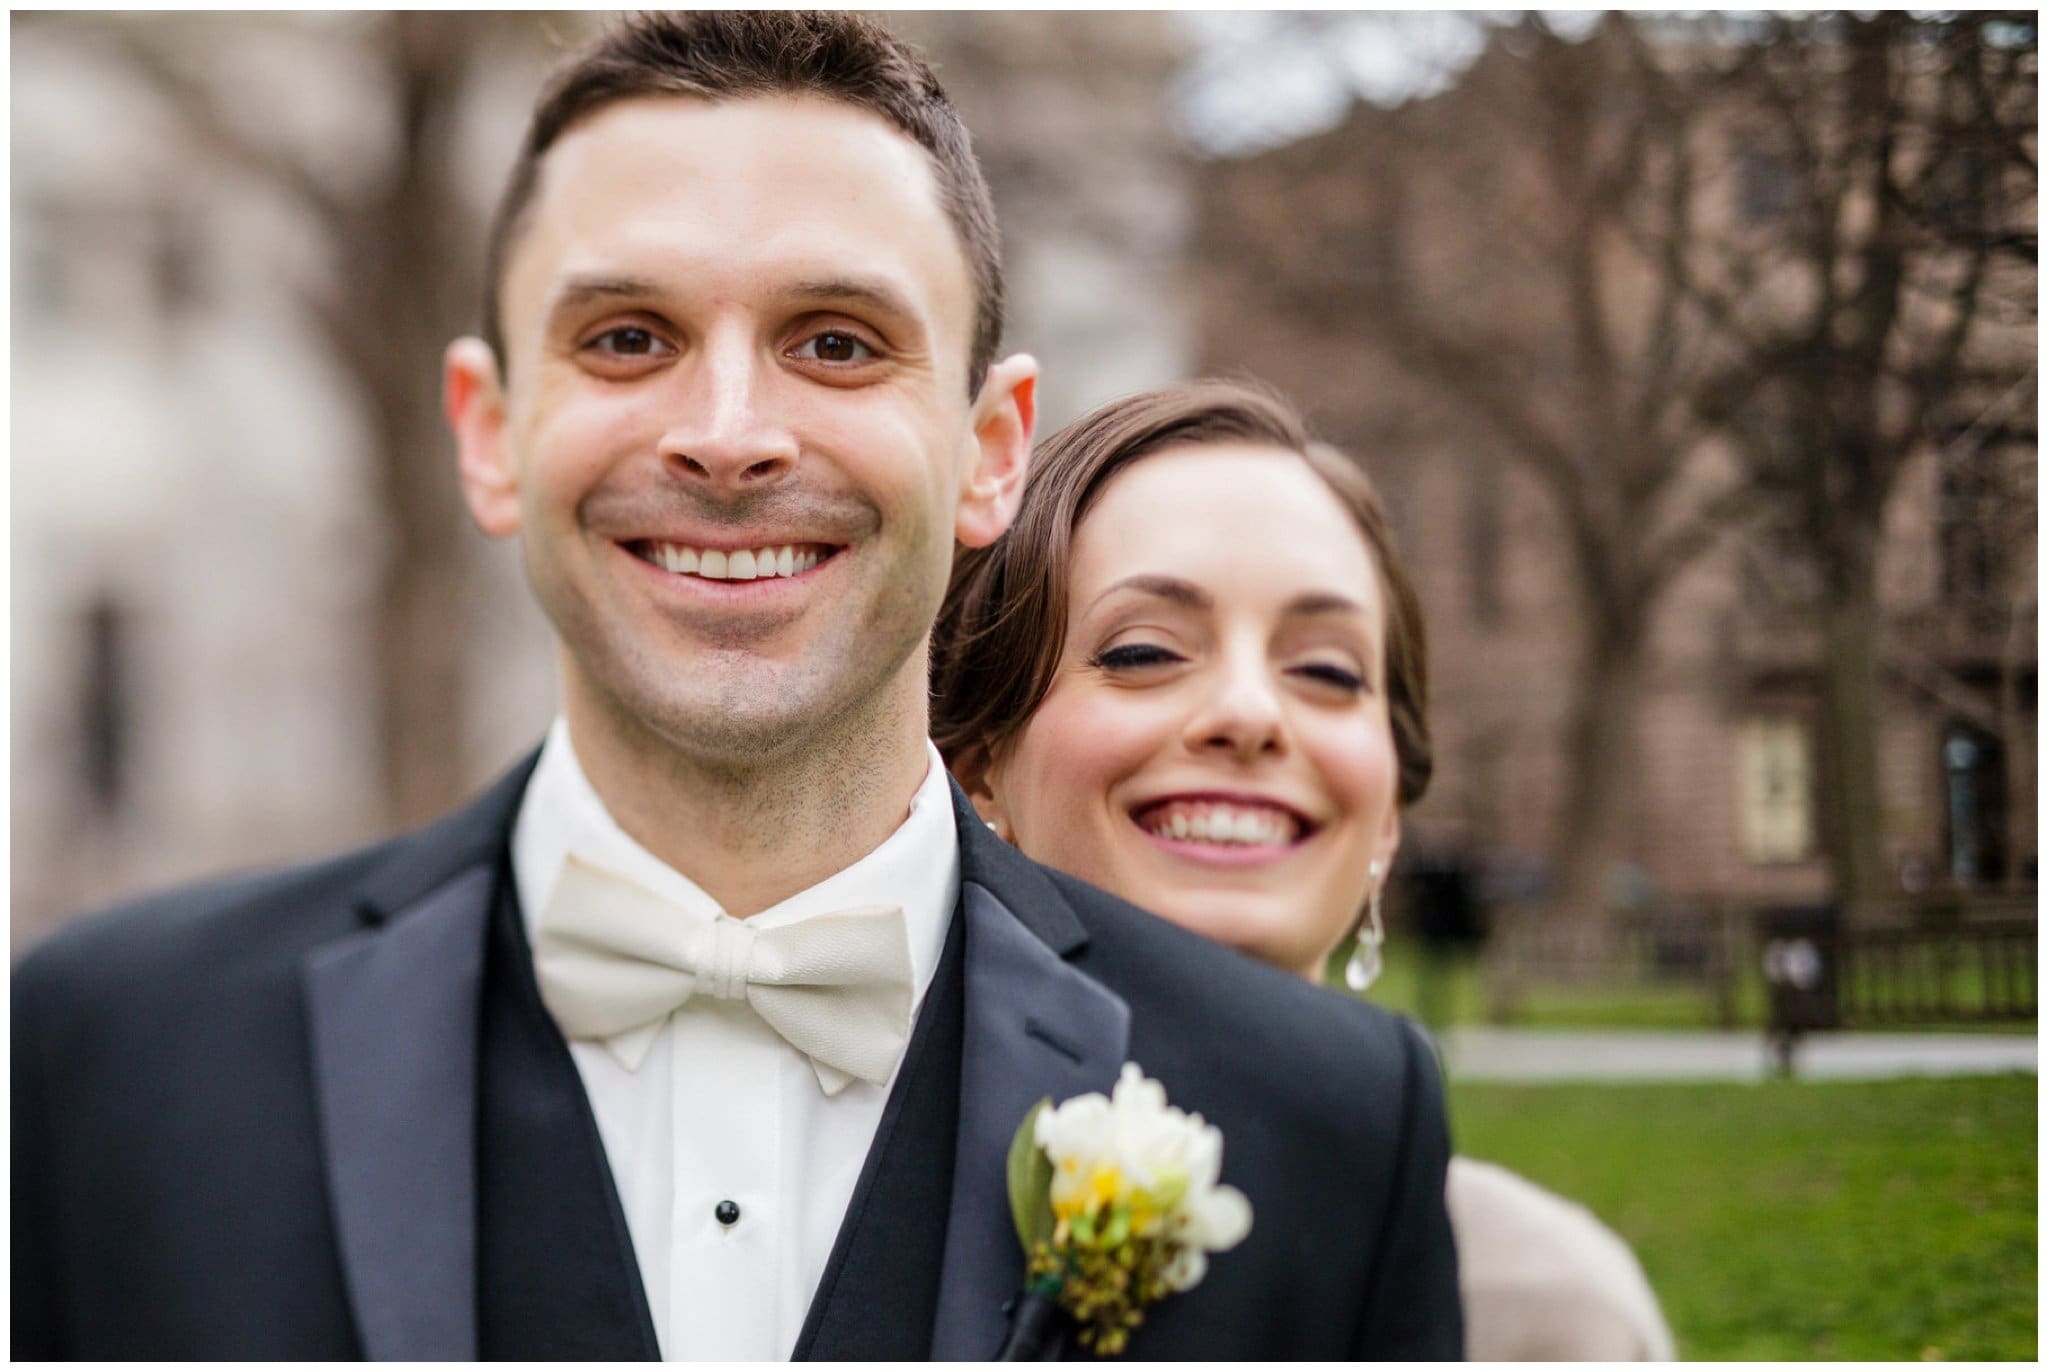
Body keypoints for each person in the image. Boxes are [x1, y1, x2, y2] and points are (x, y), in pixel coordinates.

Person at [11, 15, 1461, 1361]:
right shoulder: (104, 1062)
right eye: (628, 338)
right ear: (492, 432)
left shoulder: (1325, 1122)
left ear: (994, 449)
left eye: (835, 341)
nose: (727, 436)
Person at [932, 378, 1677, 1362]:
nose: (1250, 712)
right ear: (978, 766)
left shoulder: (1546, 1310)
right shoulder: (867, 1232)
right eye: (1146, 650)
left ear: (1387, 816)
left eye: (1326, 670)